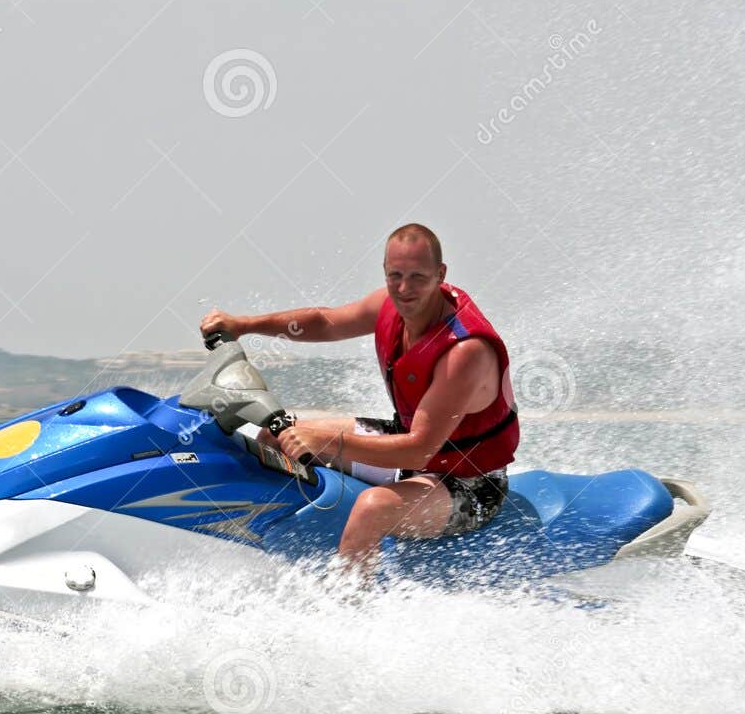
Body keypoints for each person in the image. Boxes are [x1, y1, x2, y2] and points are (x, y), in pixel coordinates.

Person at [199, 223, 518, 571]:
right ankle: (278, 554)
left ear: (440, 274)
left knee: (371, 509)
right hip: (409, 446)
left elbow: (420, 448)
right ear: (384, 271)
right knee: (273, 439)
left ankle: (349, 613)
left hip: (468, 482)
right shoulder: (390, 303)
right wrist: (244, 325)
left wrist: (327, 442)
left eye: (417, 277)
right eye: (395, 275)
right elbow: (326, 322)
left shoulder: (465, 351)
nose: (404, 288)